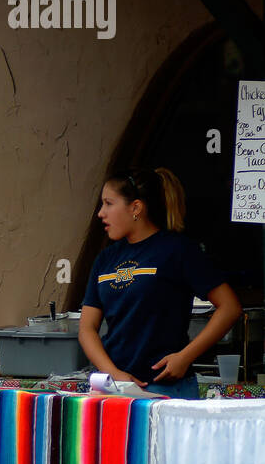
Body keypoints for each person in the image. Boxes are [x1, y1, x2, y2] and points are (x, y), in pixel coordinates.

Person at [79, 167, 241, 399]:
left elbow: (230, 307)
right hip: (114, 389)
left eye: (108, 203)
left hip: (166, 388)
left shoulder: (178, 250)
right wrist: (113, 373)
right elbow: (86, 328)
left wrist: (185, 357)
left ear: (135, 208)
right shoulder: (106, 258)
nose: (100, 213)